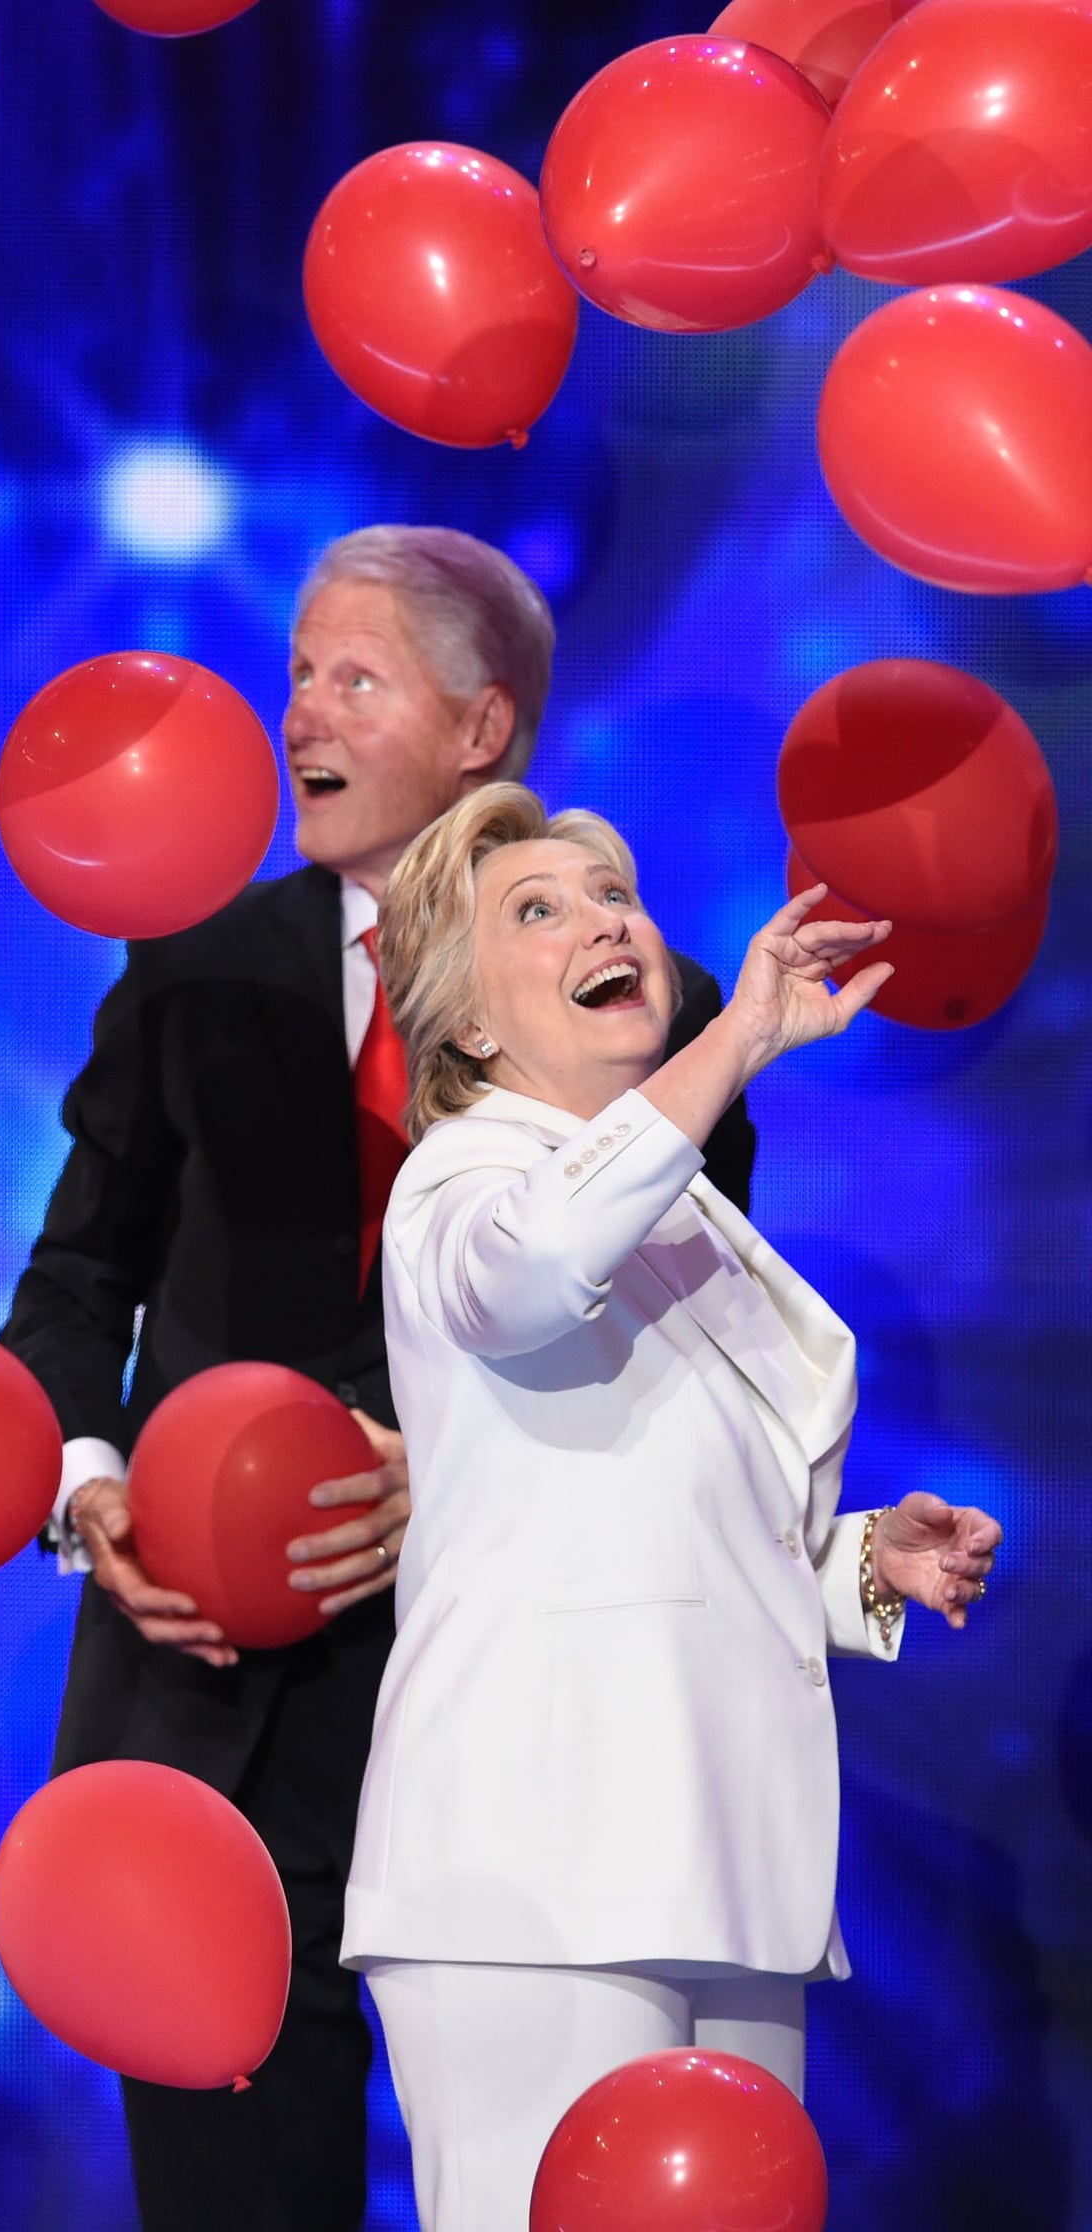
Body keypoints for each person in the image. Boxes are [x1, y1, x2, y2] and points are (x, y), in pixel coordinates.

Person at [0, 529, 756, 2232]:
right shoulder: (188, 965)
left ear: (481, 728)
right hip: (199, 1724)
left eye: (353, 678)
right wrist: (88, 1490)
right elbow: (76, 1276)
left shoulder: (656, 1011)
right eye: (295, 675)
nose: (297, 717)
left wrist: (455, 1464)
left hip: (503, 1717)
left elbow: (700, 1365)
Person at [341, 783, 1004, 2231]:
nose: (603, 918)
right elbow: (526, 1282)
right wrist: (734, 1041)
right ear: (464, 1025)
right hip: (538, 1874)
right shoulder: (466, 1182)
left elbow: (676, 1537)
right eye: (539, 909)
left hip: (723, 1865)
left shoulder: (684, 1212)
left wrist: (860, 1565)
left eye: (612, 893)